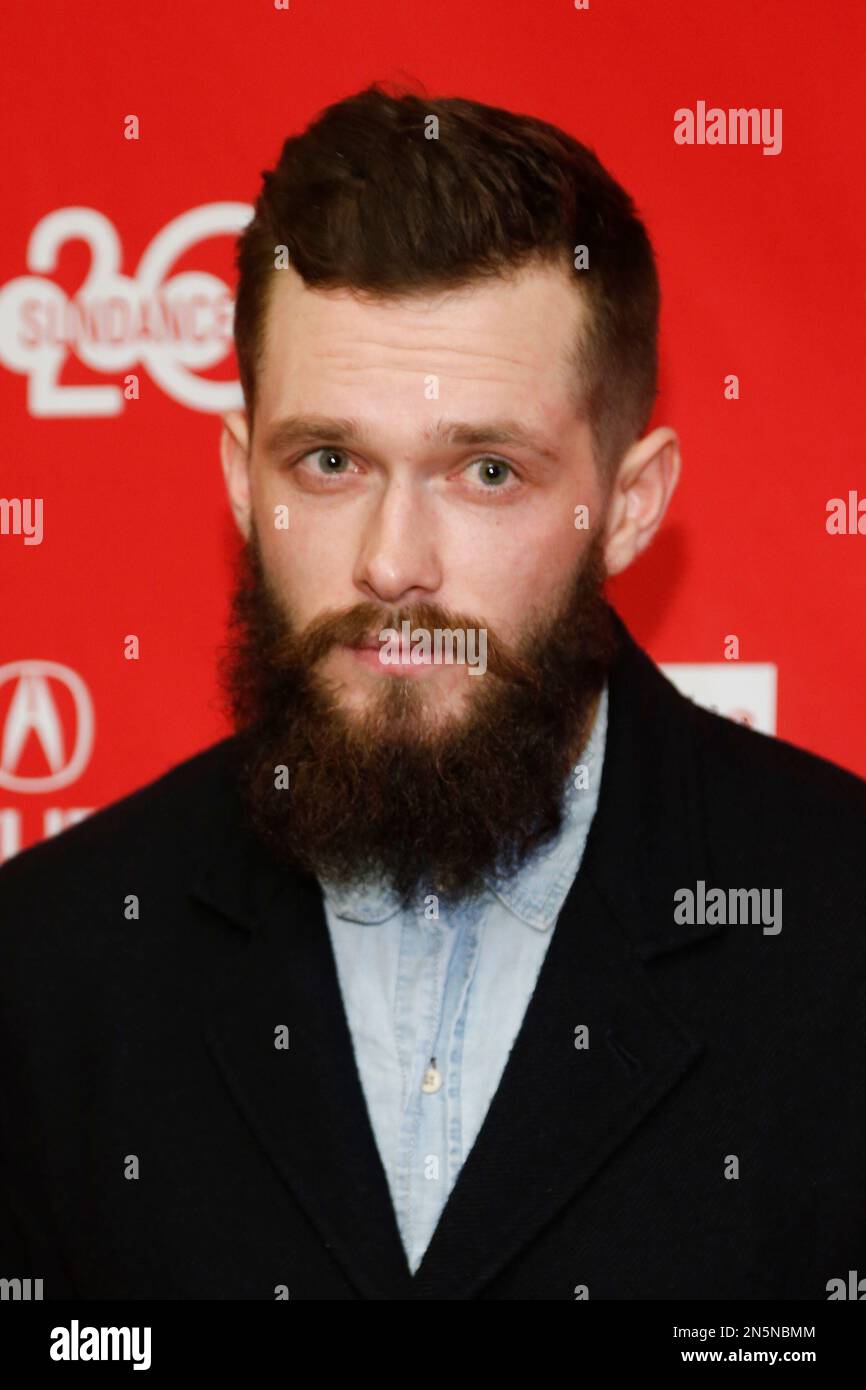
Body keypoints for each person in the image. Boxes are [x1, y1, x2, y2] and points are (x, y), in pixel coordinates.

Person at [1, 84, 864, 1301]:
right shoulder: (48, 968)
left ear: (627, 503)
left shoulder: (838, 931)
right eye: (332, 460)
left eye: (487, 469)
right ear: (244, 482)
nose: (392, 560)